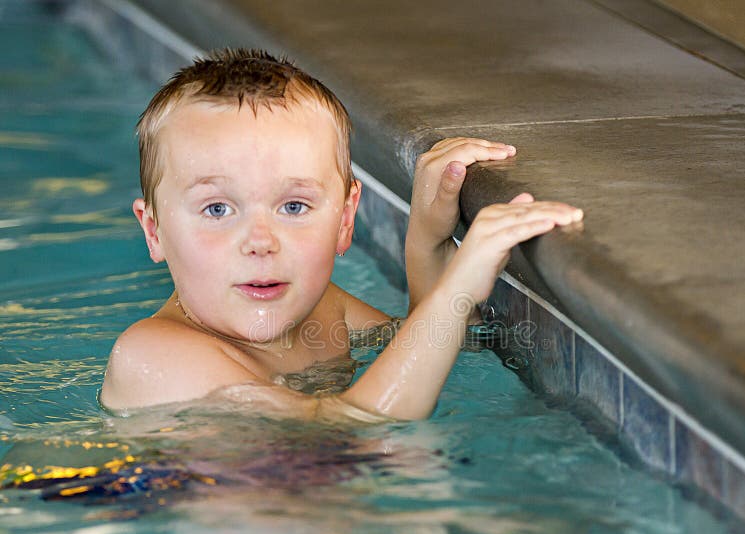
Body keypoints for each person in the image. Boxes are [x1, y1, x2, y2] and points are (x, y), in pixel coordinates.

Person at [100, 48, 582, 422]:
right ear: (154, 230)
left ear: (345, 219)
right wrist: (459, 282)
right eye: (217, 208)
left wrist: (427, 239)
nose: (260, 241)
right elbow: (354, 424)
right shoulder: (154, 355)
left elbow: (442, 346)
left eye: (293, 206)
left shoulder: (322, 308)